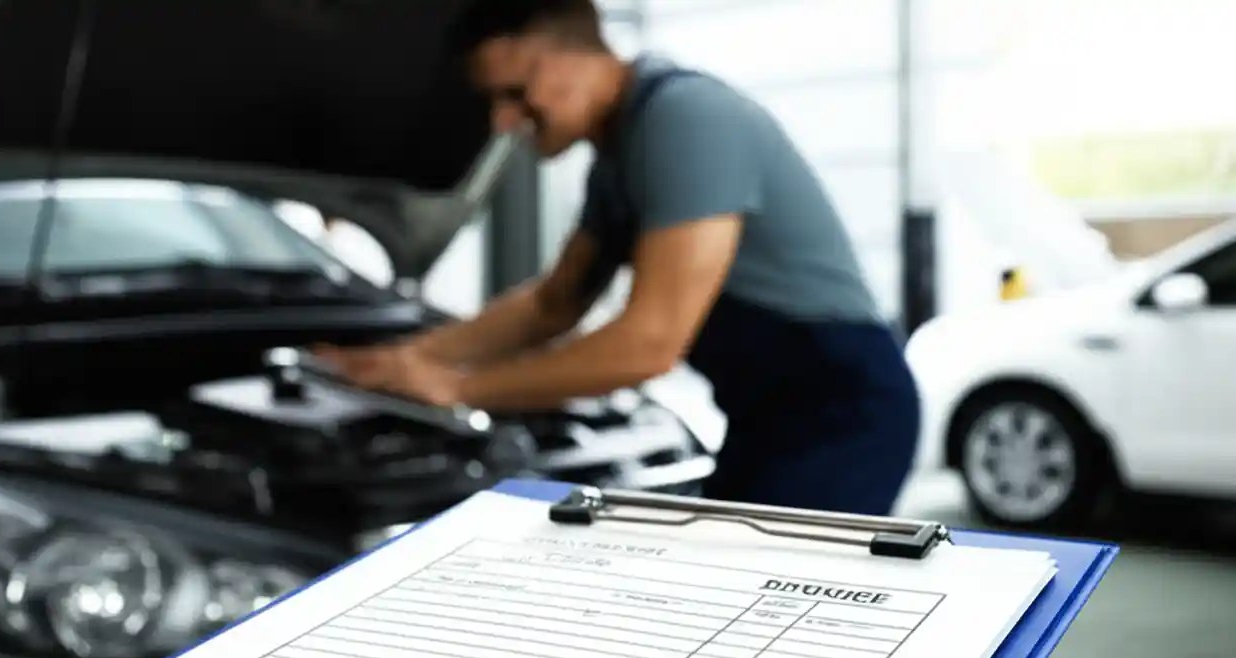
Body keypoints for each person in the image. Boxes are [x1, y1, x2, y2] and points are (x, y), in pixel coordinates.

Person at [316, 0, 921, 515]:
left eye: (514, 93)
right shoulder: (618, 158)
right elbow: (552, 305)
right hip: (770, 420)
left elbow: (648, 343)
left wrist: (458, 388)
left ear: (569, 53)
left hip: (845, 418)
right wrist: (405, 358)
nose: (503, 120)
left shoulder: (685, 118)